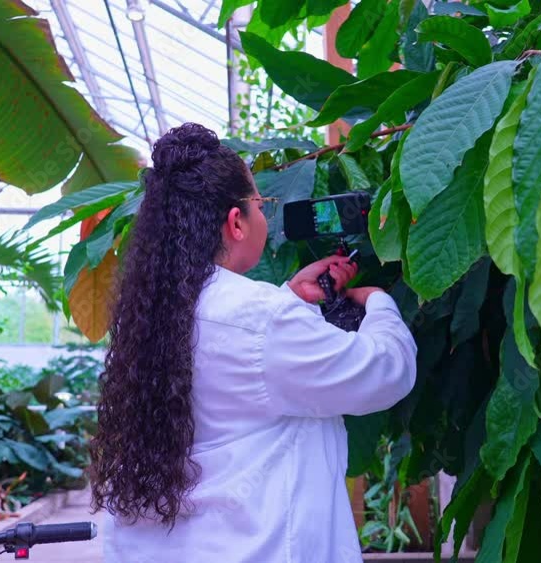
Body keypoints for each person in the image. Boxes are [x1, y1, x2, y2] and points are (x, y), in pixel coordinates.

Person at [89, 123, 417, 563]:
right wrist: (378, 304)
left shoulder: (157, 315)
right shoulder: (262, 320)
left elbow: (239, 363)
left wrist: (291, 300)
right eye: (260, 205)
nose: (265, 216)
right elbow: (384, 372)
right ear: (236, 222)